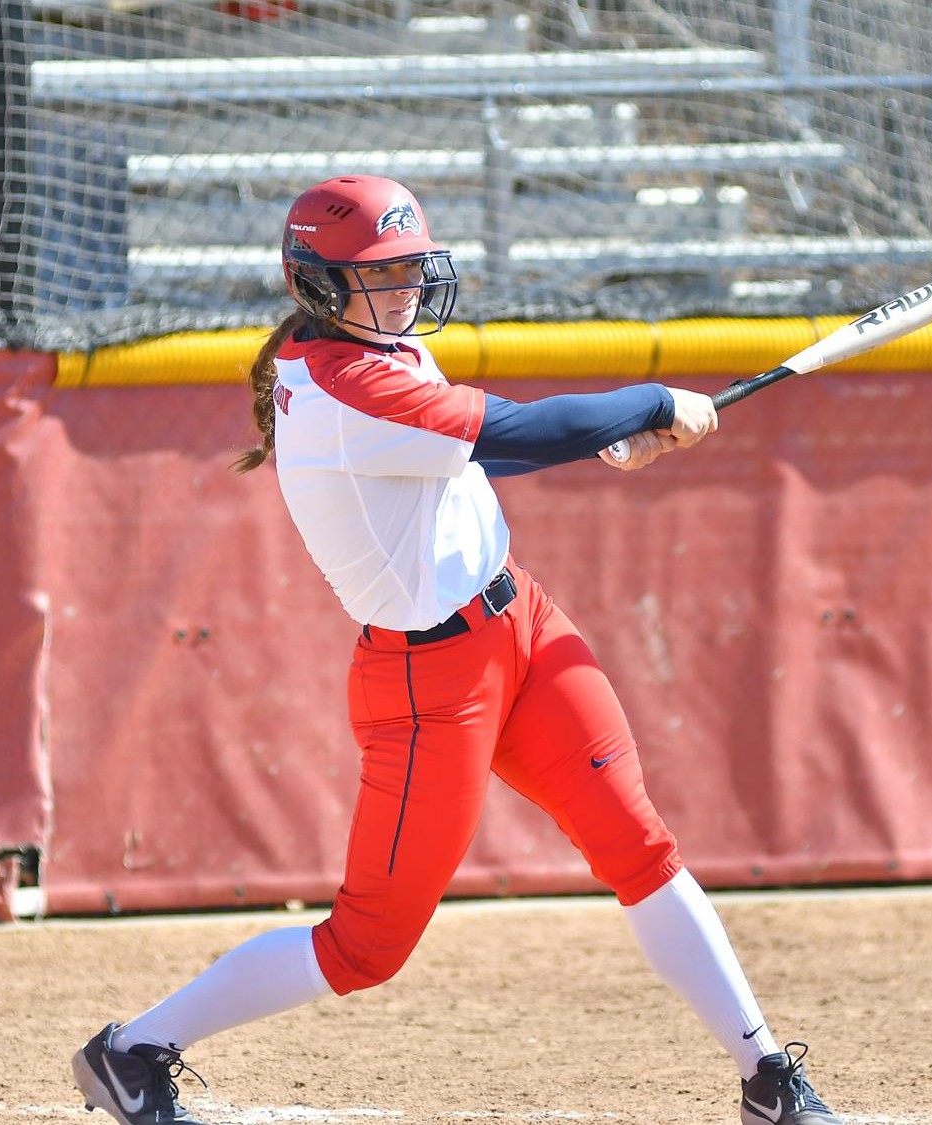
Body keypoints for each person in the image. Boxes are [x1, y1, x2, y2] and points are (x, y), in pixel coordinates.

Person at [70, 175, 844, 1125]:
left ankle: (768, 1076)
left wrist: (620, 437)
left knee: (637, 843)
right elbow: (509, 428)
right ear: (315, 284)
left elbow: (478, 451)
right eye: (374, 276)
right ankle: (134, 1049)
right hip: (427, 684)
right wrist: (650, 401)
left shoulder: (382, 350)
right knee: (365, 948)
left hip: (524, 624)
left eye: (407, 270)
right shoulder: (348, 383)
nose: (399, 291)